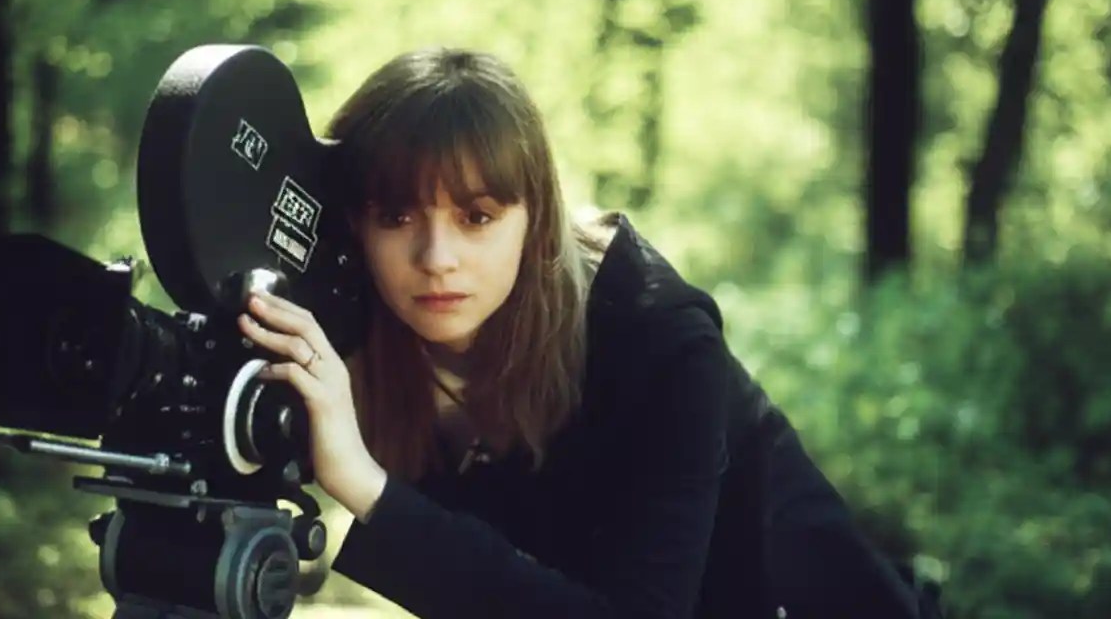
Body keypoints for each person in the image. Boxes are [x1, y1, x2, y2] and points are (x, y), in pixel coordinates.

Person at [237, 47, 927, 618]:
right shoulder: (356, 337)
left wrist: (364, 482)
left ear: (532, 217)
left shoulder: (661, 339)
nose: (437, 257)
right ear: (355, 226)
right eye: (397, 217)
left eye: (476, 217)